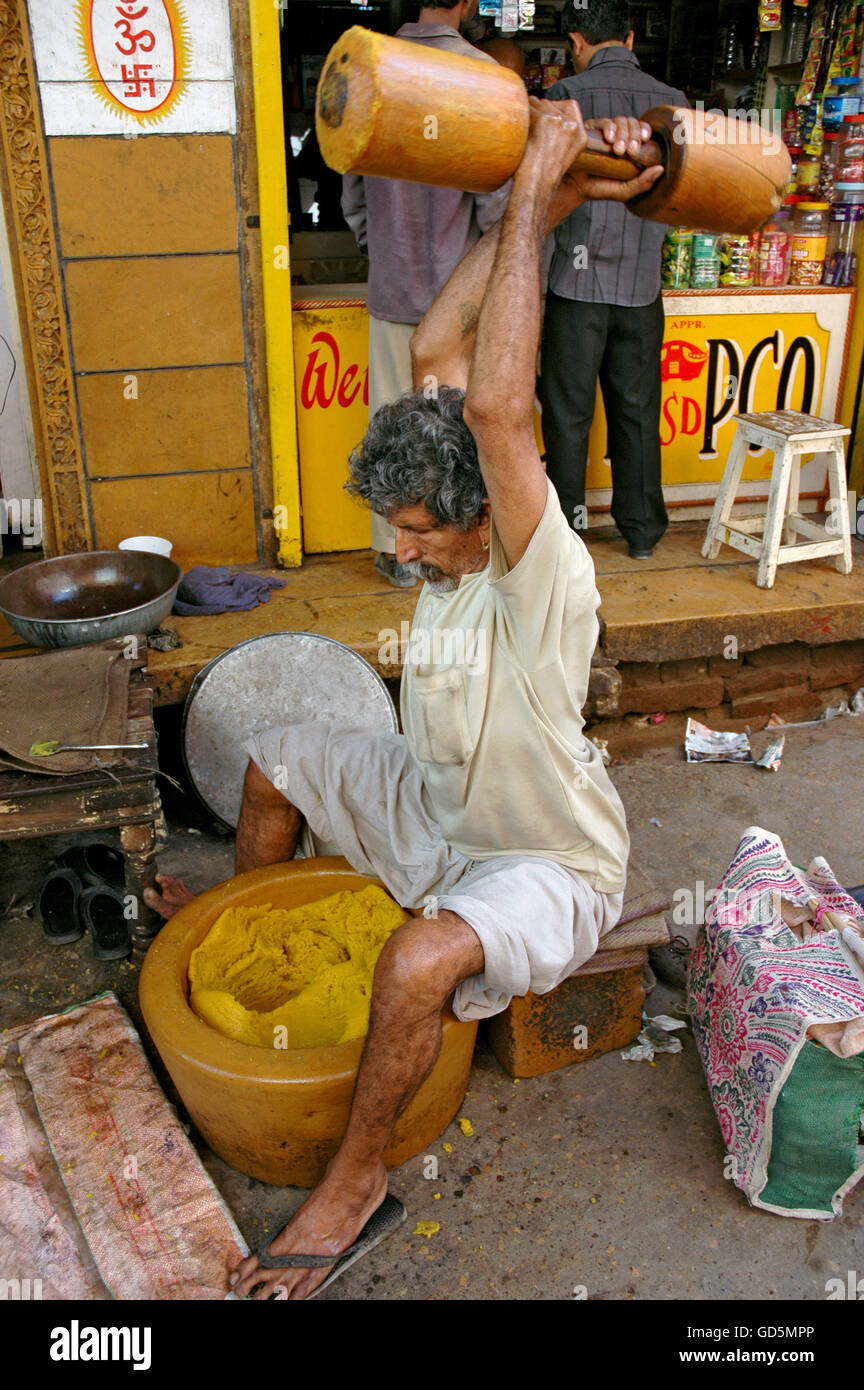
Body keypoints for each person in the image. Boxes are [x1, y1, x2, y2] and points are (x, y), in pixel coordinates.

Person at [146, 103, 662, 1301]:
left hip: (541, 861)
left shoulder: (542, 569)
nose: (406, 552)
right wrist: (550, 197)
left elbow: (495, 408)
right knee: (276, 760)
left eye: (422, 535)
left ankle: (355, 1177)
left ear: (486, 511)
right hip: (432, 797)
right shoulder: (446, 516)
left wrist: (539, 182)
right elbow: (443, 346)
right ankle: (247, 915)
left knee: (421, 957)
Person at [341, 0, 510, 588]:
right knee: (454, 435)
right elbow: (497, 211)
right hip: (456, 308)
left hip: (392, 291)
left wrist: (382, 250)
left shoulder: (374, 73)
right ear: (466, 3)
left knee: (389, 430)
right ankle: (451, 557)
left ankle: (396, 555)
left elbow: (353, 194)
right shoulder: (484, 81)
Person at [540, 0, 687, 559]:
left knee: (568, 417)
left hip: (575, 293)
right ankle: (643, 532)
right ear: (630, 36)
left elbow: (542, 193)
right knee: (637, 412)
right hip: (641, 289)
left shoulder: (562, 100)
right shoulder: (674, 107)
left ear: (577, 41)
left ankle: (566, 538)